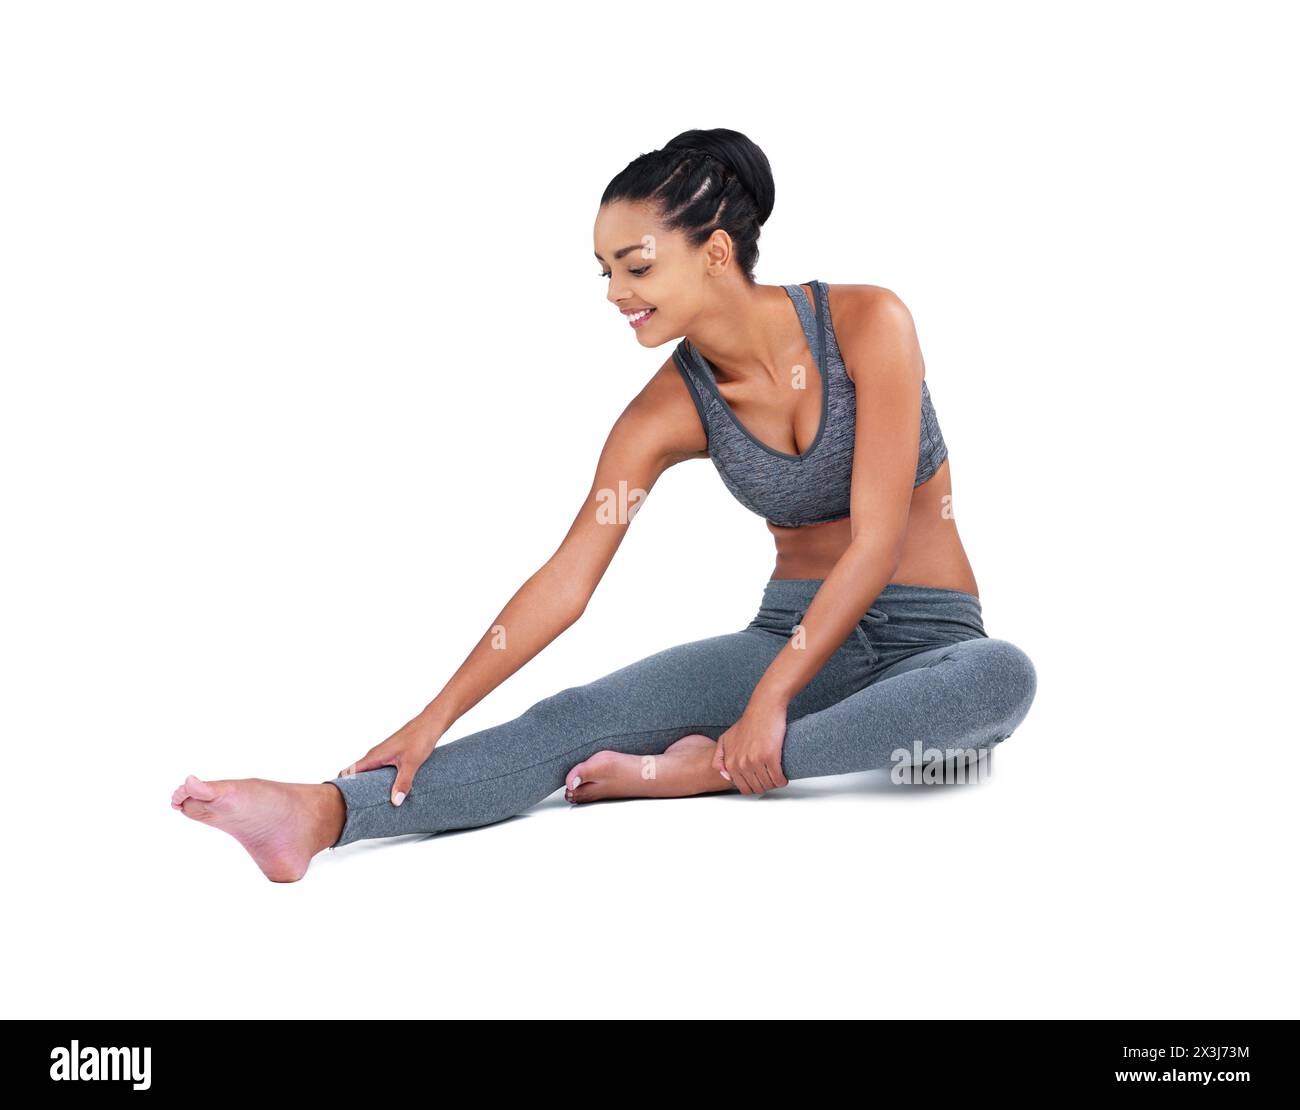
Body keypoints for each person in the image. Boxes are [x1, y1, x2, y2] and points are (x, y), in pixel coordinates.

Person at [171, 127, 1038, 882]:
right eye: (605, 270)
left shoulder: (868, 323)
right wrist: (435, 714)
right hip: (788, 631)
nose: (616, 292)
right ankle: (323, 816)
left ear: (716, 251)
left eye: (636, 264)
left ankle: (700, 771)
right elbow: (567, 580)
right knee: (575, 718)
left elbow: (879, 540)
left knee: (999, 684)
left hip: (930, 637)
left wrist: (761, 715)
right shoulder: (664, 410)